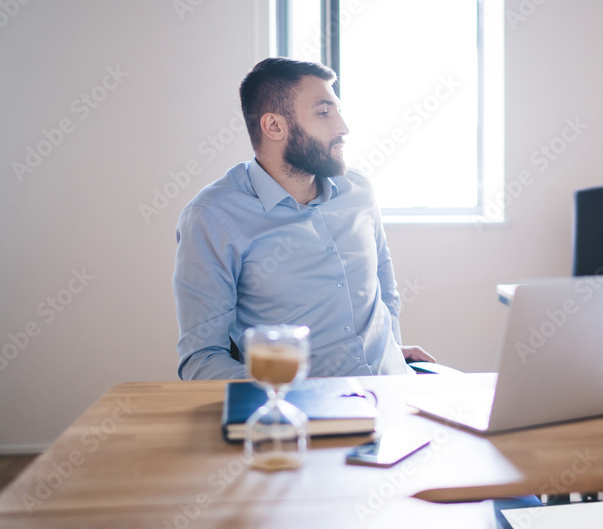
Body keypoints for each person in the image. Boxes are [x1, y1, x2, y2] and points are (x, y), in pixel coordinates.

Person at [173, 58, 434, 380]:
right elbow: (202, 360)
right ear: (274, 127)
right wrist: (288, 398)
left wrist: (392, 348)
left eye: (337, 111)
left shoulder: (359, 191)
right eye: (324, 113)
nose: (343, 128)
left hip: (395, 391)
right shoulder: (212, 217)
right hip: (307, 417)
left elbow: (384, 290)